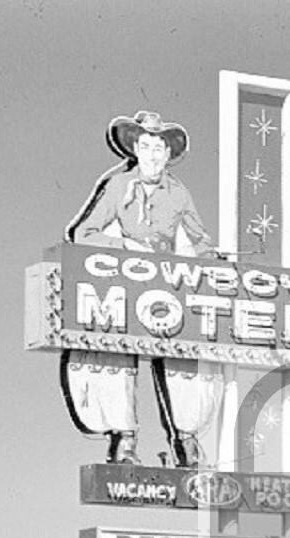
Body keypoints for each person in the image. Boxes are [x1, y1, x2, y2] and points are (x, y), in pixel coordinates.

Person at [61, 110, 223, 467]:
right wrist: (125, 248)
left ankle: (187, 443)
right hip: (122, 284)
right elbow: (82, 233)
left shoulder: (178, 193)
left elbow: (200, 240)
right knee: (114, 356)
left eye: (159, 148)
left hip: (169, 287)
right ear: (135, 148)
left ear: (168, 154)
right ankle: (124, 442)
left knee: (186, 359)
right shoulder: (118, 186)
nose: (152, 154)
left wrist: (207, 261)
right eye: (146, 146)